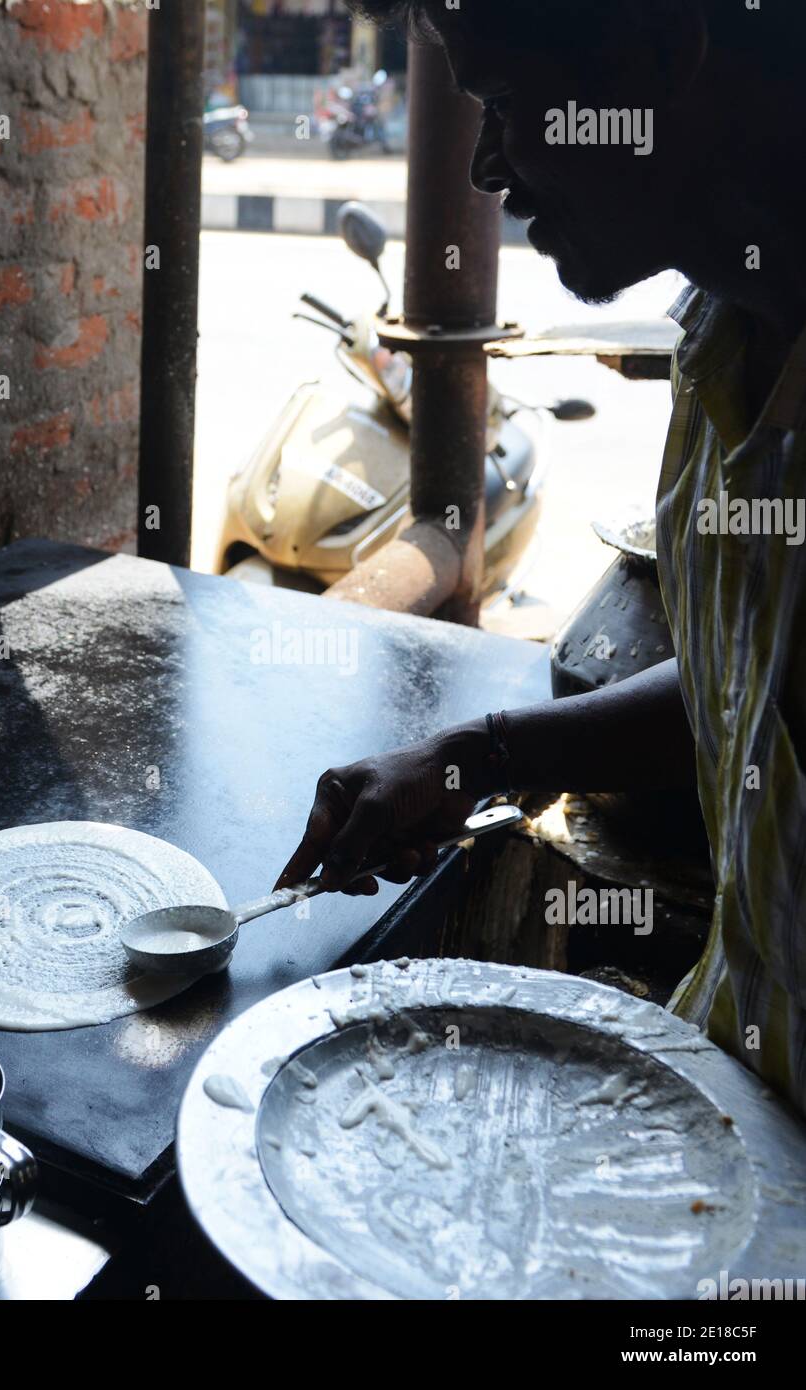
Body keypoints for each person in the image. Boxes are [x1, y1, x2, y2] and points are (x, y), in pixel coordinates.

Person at [275, 0, 806, 1114]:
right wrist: (477, 754)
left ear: (664, 53)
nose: (488, 165)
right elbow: (747, 688)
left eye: (507, 105)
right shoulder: (722, 336)